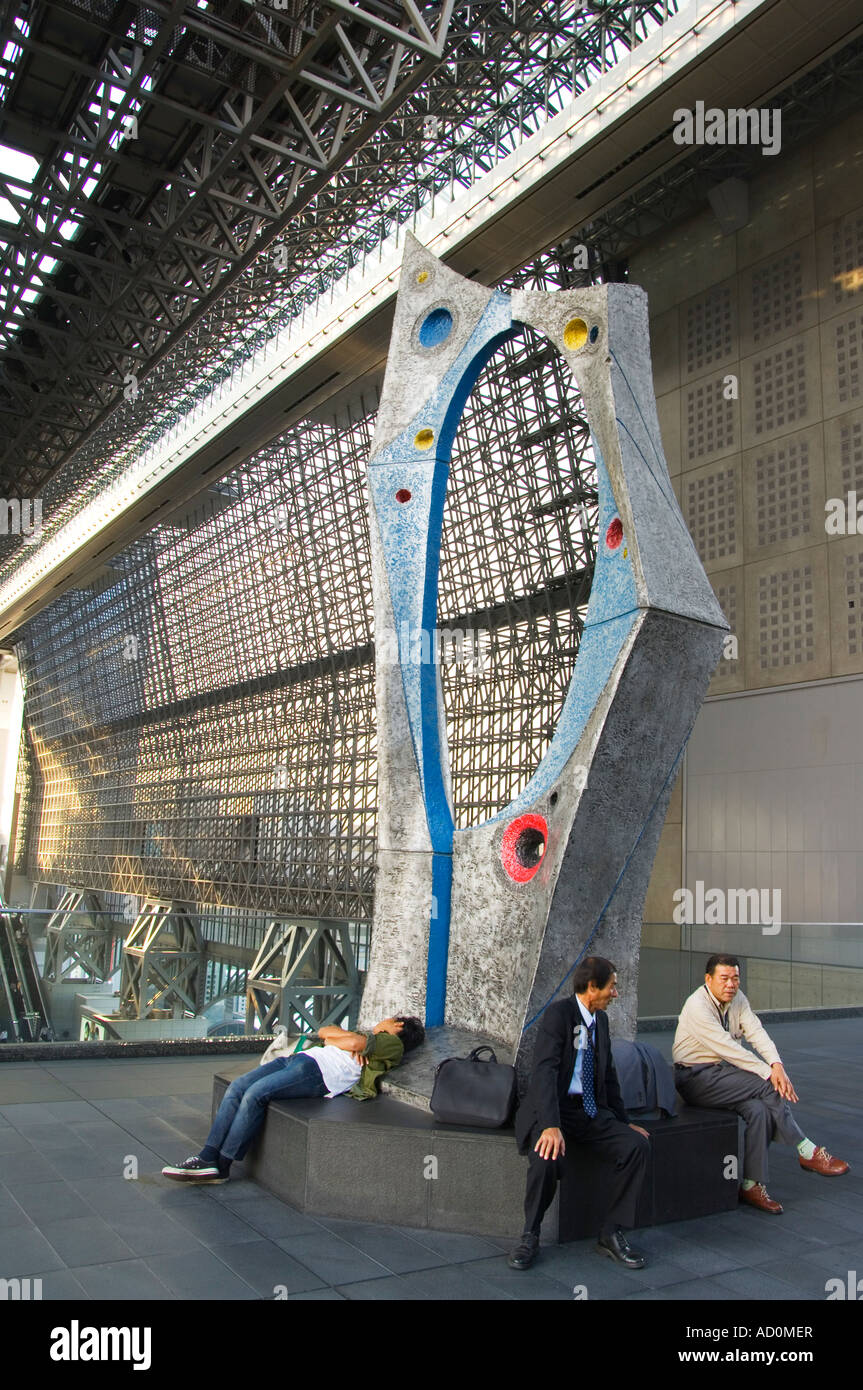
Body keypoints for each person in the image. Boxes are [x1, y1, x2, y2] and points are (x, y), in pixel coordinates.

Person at [673, 954, 849, 1213]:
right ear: (708, 979)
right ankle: (806, 1149)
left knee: (759, 1111)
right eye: (724, 979)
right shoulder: (696, 1005)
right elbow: (728, 1048)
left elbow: (756, 1031)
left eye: (735, 978)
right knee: (767, 1086)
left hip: (725, 1076)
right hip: (695, 1078)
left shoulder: (737, 999)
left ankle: (751, 1185)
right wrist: (768, 1073)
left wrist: (776, 1064)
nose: (731, 984)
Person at [508, 956, 650, 1271]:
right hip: (554, 1109)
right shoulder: (558, 1016)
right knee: (546, 1158)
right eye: (612, 987)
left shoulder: (601, 1021)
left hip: (589, 1110)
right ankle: (530, 1235)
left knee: (636, 1146)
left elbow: (609, 1075)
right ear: (591, 987)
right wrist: (549, 1125)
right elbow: (544, 1072)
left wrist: (624, 1124)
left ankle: (611, 1233)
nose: (616, 994)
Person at [162, 1014, 424, 1183]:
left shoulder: (392, 1044)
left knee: (255, 1095)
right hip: (300, 1059)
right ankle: (207, 1156)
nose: (384, 1020)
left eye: (390, 1020)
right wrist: (341, 1038)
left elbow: (351, 1043)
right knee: (238, 1087)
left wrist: (342, 1039)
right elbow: (323, 1031)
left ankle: (222, 1164)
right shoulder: (370, 1037)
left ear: (398, 1026)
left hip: (318, 1073)